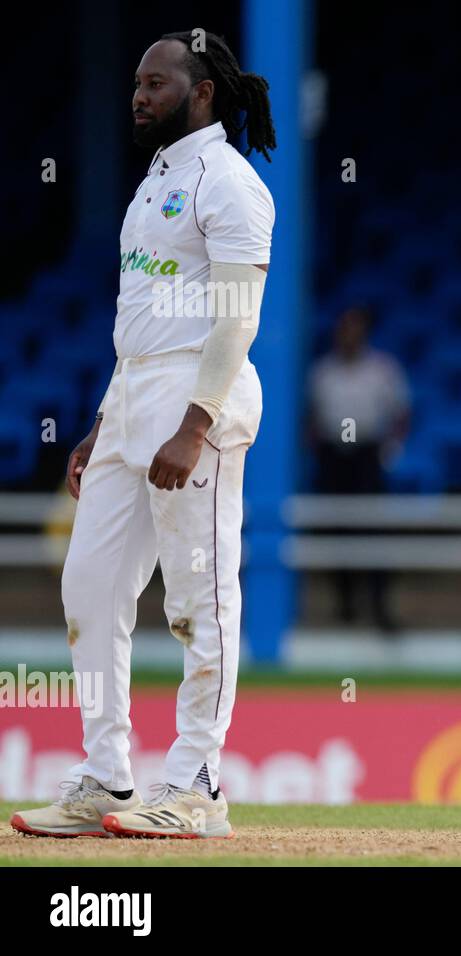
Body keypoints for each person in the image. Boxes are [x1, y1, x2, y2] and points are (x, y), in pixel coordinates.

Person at [10, 29, 275, 839]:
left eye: (155, 84)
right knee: (88, 589)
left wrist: (194, 425)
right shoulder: (154, 181)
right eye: (135, 83)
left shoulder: (229, 183)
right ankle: (107, 778)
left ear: (200, 93)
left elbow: (238, 318)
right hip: (133, 395)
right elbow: (141, 322)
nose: (139, 95)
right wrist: (102, 423)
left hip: (200, 391)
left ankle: (197, 785)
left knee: (201, 599)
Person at [307, 307, 411, 633]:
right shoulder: (322, 372)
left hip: (367, 455)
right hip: (334, 457)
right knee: (337, 531)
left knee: (374, 530)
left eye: (355, 329)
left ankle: (380, 608)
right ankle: (346, 607)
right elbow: (310, 417)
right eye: (344, 328)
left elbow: (402, 412)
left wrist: (390, 449)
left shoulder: (382, 370)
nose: (349, 335)